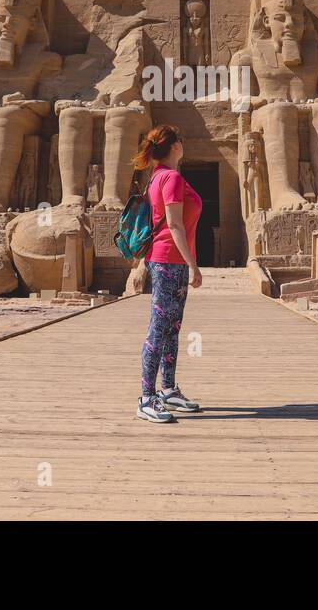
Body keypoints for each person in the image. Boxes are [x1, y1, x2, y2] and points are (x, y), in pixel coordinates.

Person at [132, 123, 203, 423]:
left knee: (172, 327)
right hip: (168, 260)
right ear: (174, 146)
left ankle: (168, 389)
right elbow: (174, 224)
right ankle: (146, 397)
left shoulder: (157, 176)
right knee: (159, 329)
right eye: (181, 141)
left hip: (166, 260)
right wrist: (192, 264)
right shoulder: (171, 177)